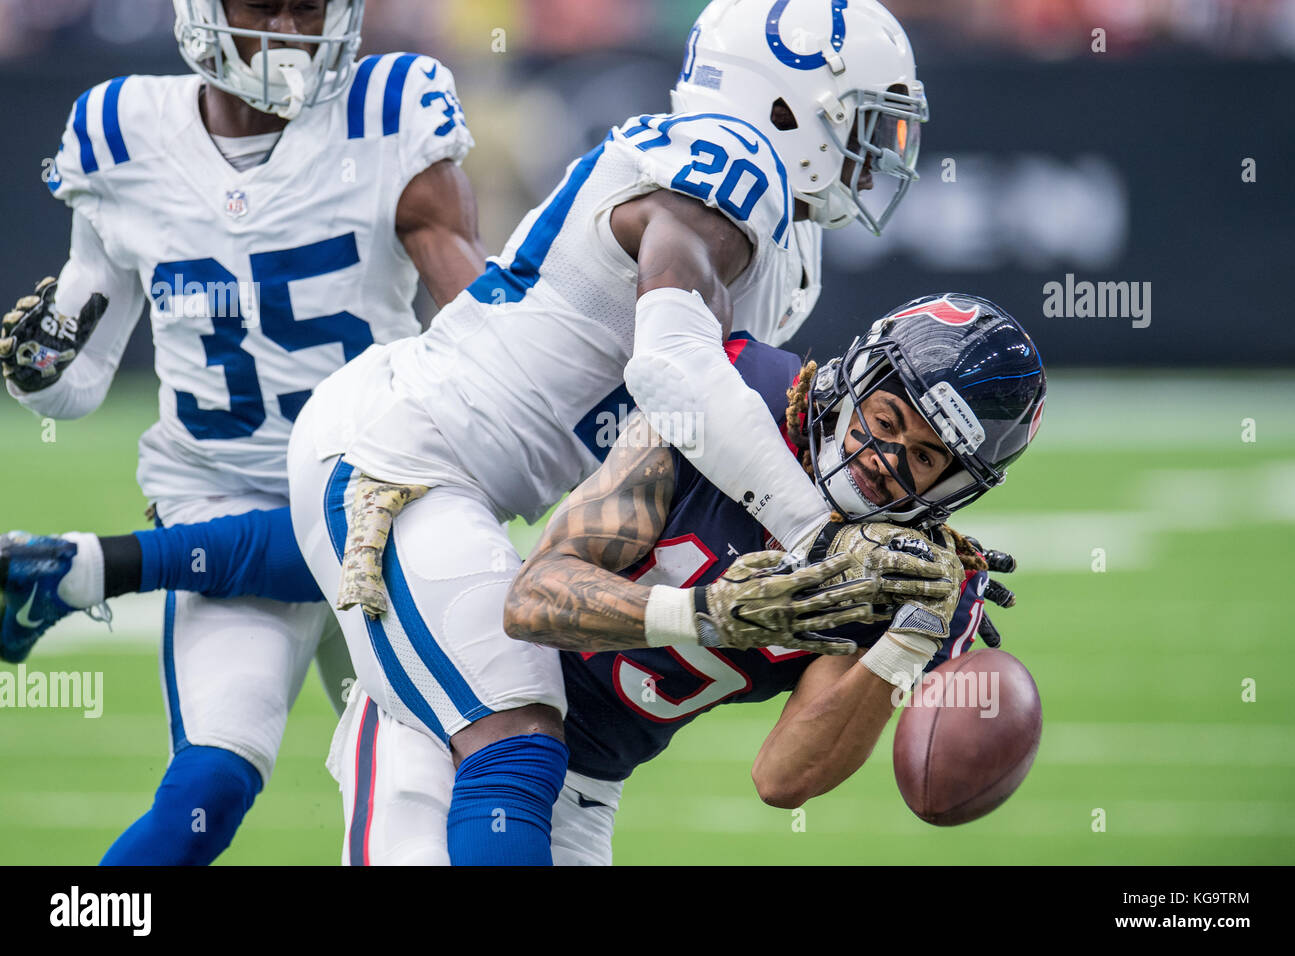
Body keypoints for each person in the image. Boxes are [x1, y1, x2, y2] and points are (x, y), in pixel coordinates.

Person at [4, 0, 930, 865]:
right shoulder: (730, 164)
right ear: (784, 99)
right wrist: (818, 535)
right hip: (399, 446)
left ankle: (88, 567)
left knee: (495, 737)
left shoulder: (778, 237)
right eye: (862, 120)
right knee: (514, 739)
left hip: (443, 466)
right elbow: (674, 369)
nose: (878, 149)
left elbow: (695, 415)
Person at [3, 293, 1045, 864]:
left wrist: (904, 643)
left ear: (964, 486)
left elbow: (786, 776)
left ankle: (86, 566)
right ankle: (95, 563)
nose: (886, 460)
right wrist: (714, 608)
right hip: (453, 719)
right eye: (887, 419)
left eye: (925, 458)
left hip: (583, 794)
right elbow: (533, 594)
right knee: (393, 553)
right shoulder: (731, 399)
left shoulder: (905, 579)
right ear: (856, 379)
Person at [0, 0, 485, 865]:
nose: (296, 30)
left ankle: (85, 567)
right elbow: (76, 384)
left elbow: (479, 326)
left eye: (314, 7)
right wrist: (39, 370)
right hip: (219, 488)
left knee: (445, 795)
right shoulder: (120, 131)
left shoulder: (388, 109)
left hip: (372, 487)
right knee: (208, 789)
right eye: (269, 5)